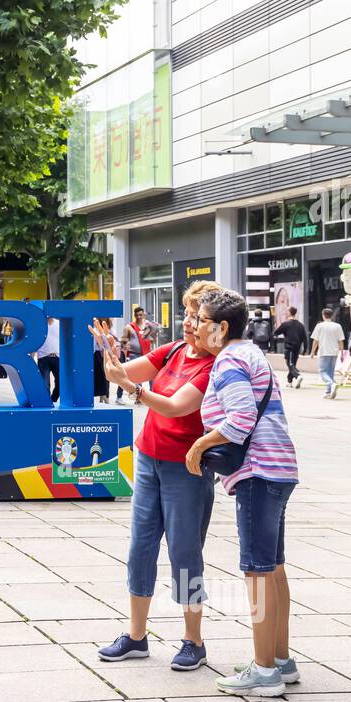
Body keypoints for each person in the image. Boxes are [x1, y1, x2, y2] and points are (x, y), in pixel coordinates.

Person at [94, 280, 221, 672]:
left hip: (187, 468)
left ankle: (193, 641)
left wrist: (131, 387)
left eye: (197, 316)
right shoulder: (176, 351)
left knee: (185, 554)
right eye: (186, 313)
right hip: (148, 460)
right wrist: (110, 356)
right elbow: (121, 372)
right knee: (140, 548)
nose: (188, 322)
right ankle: (135, 636)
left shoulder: (214, 365)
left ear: (217, 326)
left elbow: (174, 406)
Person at [185, 288, 299, 697]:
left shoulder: (231, 359)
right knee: (274, 567)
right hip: (278, 469)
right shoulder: (252, 353)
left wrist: (198, 446)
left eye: (200, 320)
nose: (195, 326)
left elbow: (240, 418)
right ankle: (280, 660)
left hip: (257, 473)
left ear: (222, 327)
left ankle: (264, 670)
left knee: (256, 570)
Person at [310, 307, 345, 399]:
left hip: (324, 352)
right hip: (334, 352)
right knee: (330, 372)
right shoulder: (337, 326)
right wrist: (341, 353)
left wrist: (312, 352)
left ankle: (331, 384)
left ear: (323, 315)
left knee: (322, 371)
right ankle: (328, 391)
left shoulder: (319, 326)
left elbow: (315, 341)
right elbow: (340, 341)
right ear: (331, 315)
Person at [272, 306, 307, 388]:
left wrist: (275, 329)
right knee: (293, 364)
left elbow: (275, 333)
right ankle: (289, 382)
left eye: (287, 311)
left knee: (290, 364)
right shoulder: (301, 325)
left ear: (289, 313)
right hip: (297, 347)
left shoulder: (285, 324)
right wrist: (305, 349)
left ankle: (298, 376)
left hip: (289, 346)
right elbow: (305, 338)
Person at [33, 317, 60, 403]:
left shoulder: (59, 324)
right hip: (43, 357)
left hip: (57, 357)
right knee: (45, 384)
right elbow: (35, 341)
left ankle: (53, 399)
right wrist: (32, 357)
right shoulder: (40, 324)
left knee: (61, 382)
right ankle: (47, 403)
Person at [92, 317, 116, 404]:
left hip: (104, 354)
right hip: (99, 354)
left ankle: (105, 396)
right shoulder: (97, 328)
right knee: (102, 375)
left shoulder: (108, 328)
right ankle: (104, 396)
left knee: (105, 375)